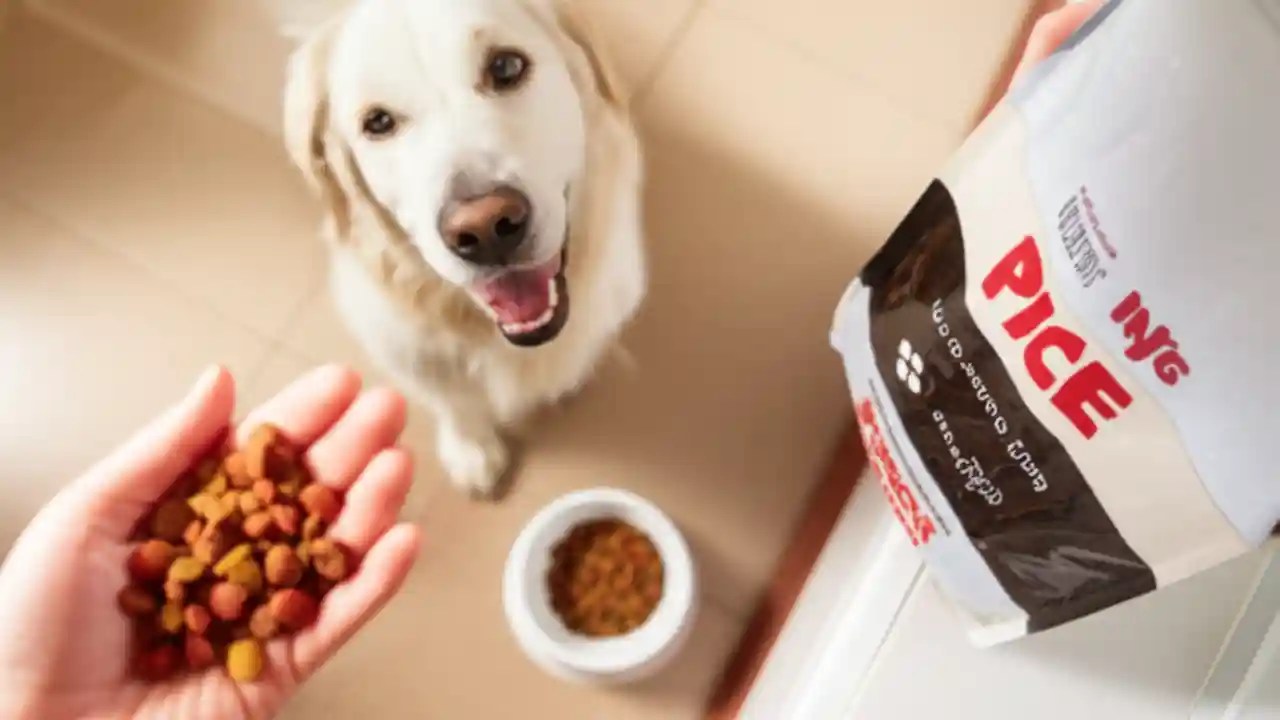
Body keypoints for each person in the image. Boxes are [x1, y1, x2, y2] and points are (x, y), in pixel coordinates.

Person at [0, 2, 1103, 718]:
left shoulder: (594, 177)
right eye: (382, 126)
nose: (474, 206)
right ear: (335, 169)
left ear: (586, 79)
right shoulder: (374, 253)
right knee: (447, 389)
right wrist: (459, 421)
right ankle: (470, 415)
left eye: (509, 69)